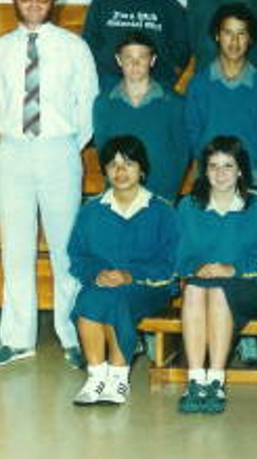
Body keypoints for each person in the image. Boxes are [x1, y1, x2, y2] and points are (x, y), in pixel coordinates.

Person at [0, 0, 98, 370]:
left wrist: (63, 146)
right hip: (13, 152)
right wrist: (18, 141)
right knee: (15, 249)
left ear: (53, 2)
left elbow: (88, 106)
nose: (33, 2)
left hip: (58, 152)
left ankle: (74, 336)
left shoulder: (73, 47)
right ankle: (16, 339)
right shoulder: (0, 49)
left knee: (66, 250)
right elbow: (3, 103)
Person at [68, 135, 179, 406]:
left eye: (128, 164)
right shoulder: (91, 210)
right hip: (104, 284)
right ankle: (96, 375)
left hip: (150, 285)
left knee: (116, 299)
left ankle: (118, 376)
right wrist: (97, 274)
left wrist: (131, 275)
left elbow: (170, 262)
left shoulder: (161, 211)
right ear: (104, 172)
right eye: (112, 165)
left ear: (142, 170)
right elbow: (77, 254)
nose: (120, 171)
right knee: (88, 299)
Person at [175, 136, 257, 414]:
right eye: (213, 166)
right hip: (201, 283)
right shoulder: (188, 206)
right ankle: (195, 381)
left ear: (241, 169)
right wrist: (196, 268)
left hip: (246, 285)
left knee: (218, 291)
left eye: (228, 166)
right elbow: (178, 255)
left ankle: (216, 380)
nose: (220, 173)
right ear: (204, 171)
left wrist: (232, 269)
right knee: (194, 289)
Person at [185, 3, 257, 190]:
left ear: (250, 39)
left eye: (241, 34)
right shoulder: (199, 84)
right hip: (210, 175)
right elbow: (192, 134)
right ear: (217, 35)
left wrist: (254, 161)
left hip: (253, 176)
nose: (234, 42)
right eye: (228, 33)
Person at [93, 33, 188, 201]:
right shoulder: (104, 103)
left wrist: (169, 192)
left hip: (161, 194)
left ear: (152, 60)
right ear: (118, 60)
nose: (134, 64)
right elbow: (103, 152)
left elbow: (182, 152)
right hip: (118, 194)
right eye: (128, 57)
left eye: (142, 57)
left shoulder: (174, 103)